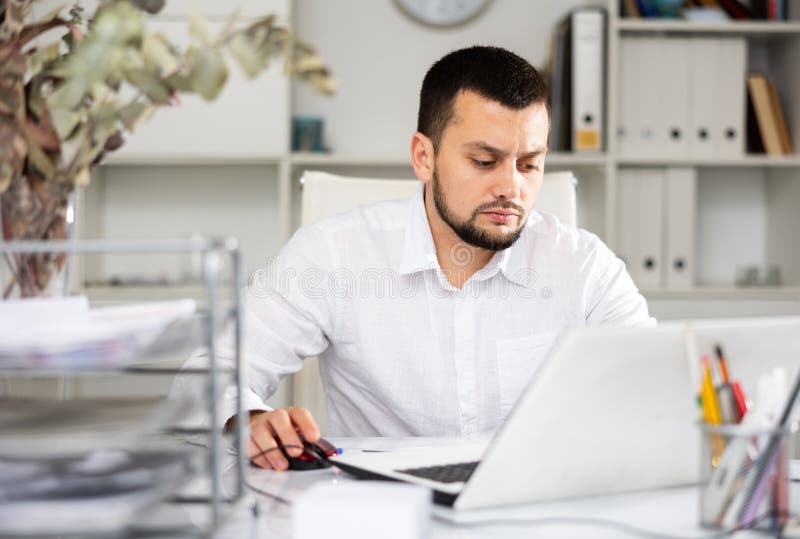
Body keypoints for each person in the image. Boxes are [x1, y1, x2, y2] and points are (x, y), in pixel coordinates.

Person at [175, 46, 654, 471]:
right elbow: (202, 380)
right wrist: (250, 420)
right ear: (423, 157)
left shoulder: (584, 265)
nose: (512, 188)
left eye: (530, 164)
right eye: (484, 161)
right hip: (376, 515)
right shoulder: (334, 254)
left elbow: (656, 386)